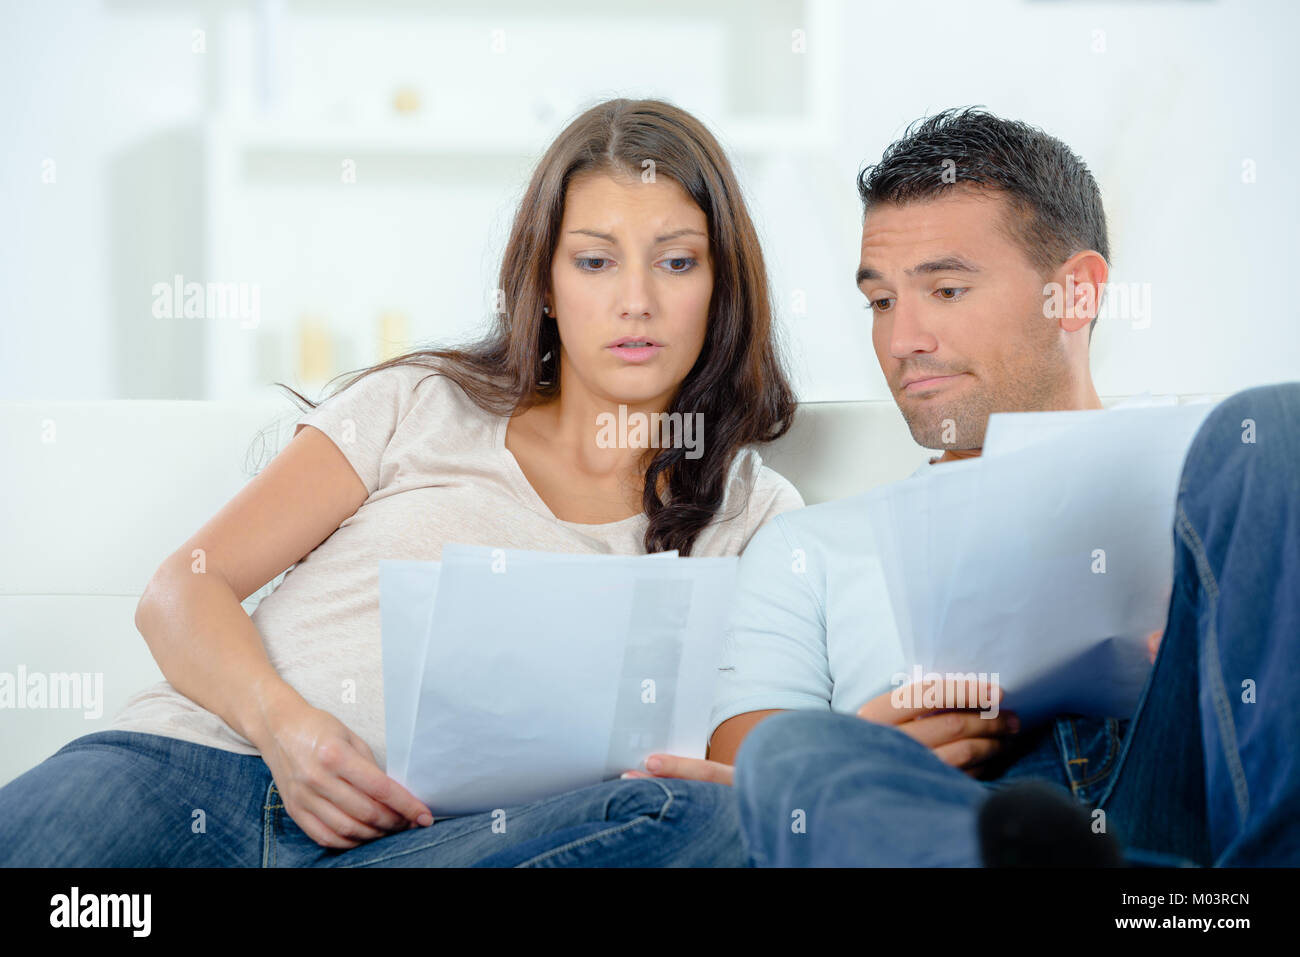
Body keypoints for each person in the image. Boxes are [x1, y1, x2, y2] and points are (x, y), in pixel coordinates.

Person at [0, 98, 804, 868]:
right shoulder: (423, 401)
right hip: (199, 770)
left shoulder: (756, 514)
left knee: (713, 821)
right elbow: (179, 591)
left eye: (676, 261)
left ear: (720, 283)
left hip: (431, 842)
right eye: (595, 260)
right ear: (548, 287)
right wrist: (286, 730)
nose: (637, 301)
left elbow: (732, 784)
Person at [623, 108, 1299, 866]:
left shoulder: (1225, 488)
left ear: (1075, 293)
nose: (903, 339)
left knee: (1279, 422)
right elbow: (749, 780)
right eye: (881, 302)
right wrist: (874, 745)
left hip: (1176, 798)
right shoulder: (805, 544)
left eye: (945, 290)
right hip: (956, 826)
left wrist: (1209, 659)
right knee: (795, 754)